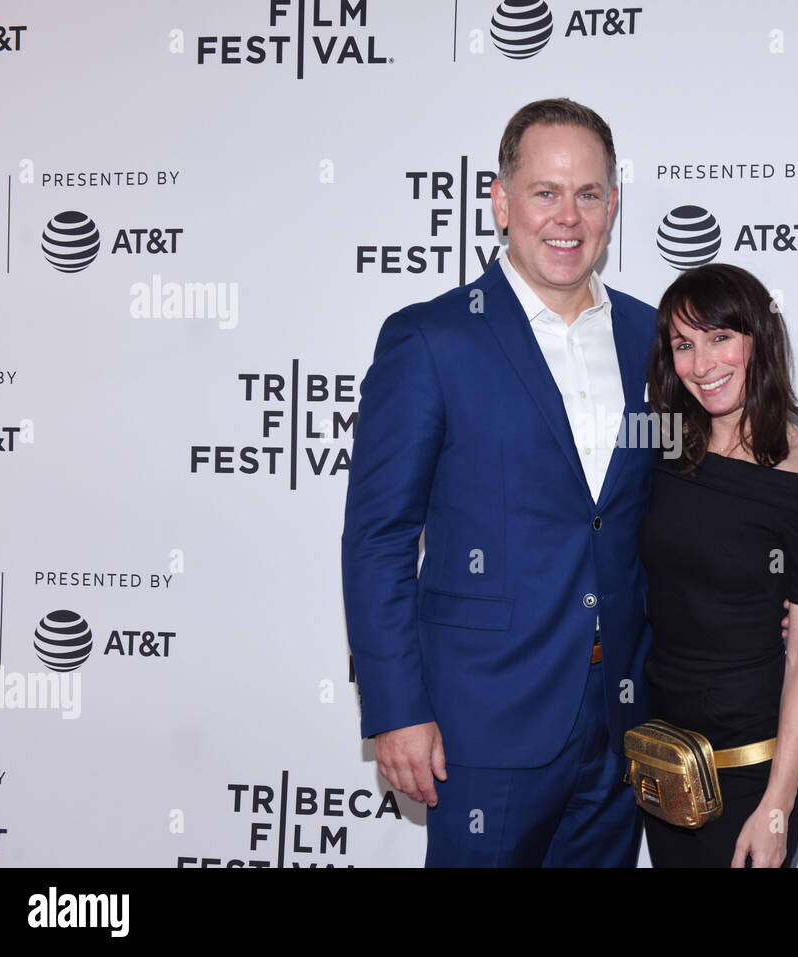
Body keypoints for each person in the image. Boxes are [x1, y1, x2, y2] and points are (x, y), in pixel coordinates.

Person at [341, 99, 659, 867]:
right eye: (546, 191)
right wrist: (396, 709)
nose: (568, 216)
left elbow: (679, 504)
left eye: (588, 194)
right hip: (482, 720)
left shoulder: (652, 336)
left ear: (614, 206)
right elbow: (379, 538)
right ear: (500, 200)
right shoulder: (432, 338)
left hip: (623, 714)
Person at [639, 263, 798, 868]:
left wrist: (777, 806)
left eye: (720, 337)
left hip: (750, 772)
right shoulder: (663, 453)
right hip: (660, 759)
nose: (702, 364)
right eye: (684, 344)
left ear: (759, 338)